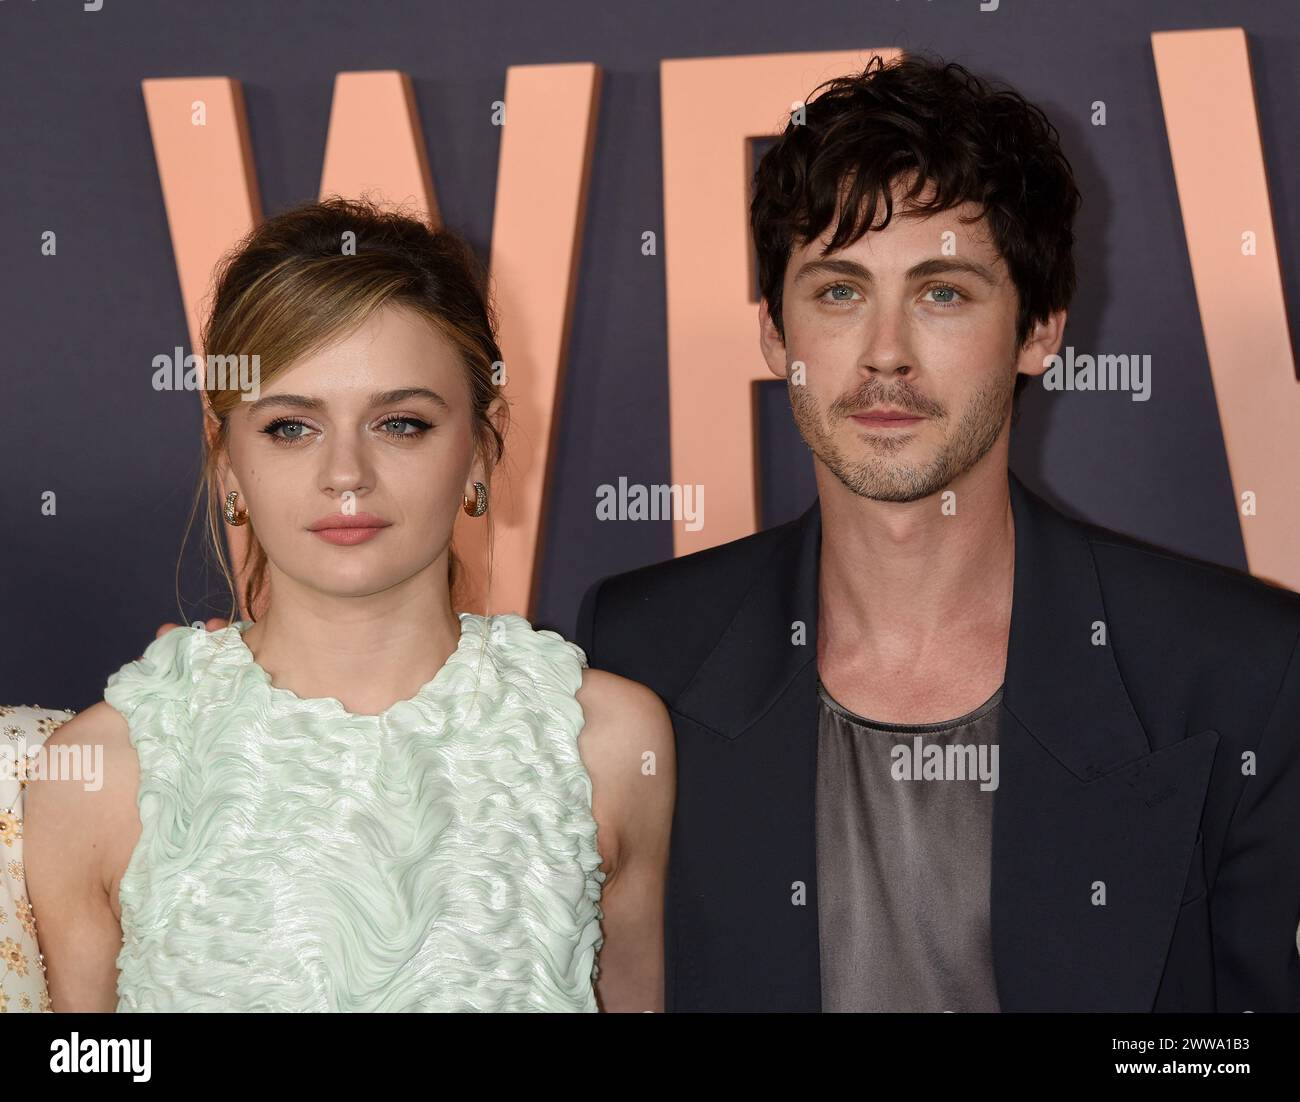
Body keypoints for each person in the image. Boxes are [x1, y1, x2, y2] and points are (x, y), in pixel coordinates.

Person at [576, 54, 1300, 1012]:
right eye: (837, 291)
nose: (885, 353)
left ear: (1040, 328)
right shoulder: (643, 653)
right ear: (774, 335)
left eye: (943, 292)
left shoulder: (1237, 670)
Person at [24, 198, 674, 1013]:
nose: (346, 474)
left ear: (482, 446)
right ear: (227, 464)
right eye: (291, 427)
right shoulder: (102, 774)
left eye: (401, 423)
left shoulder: (609, 747)